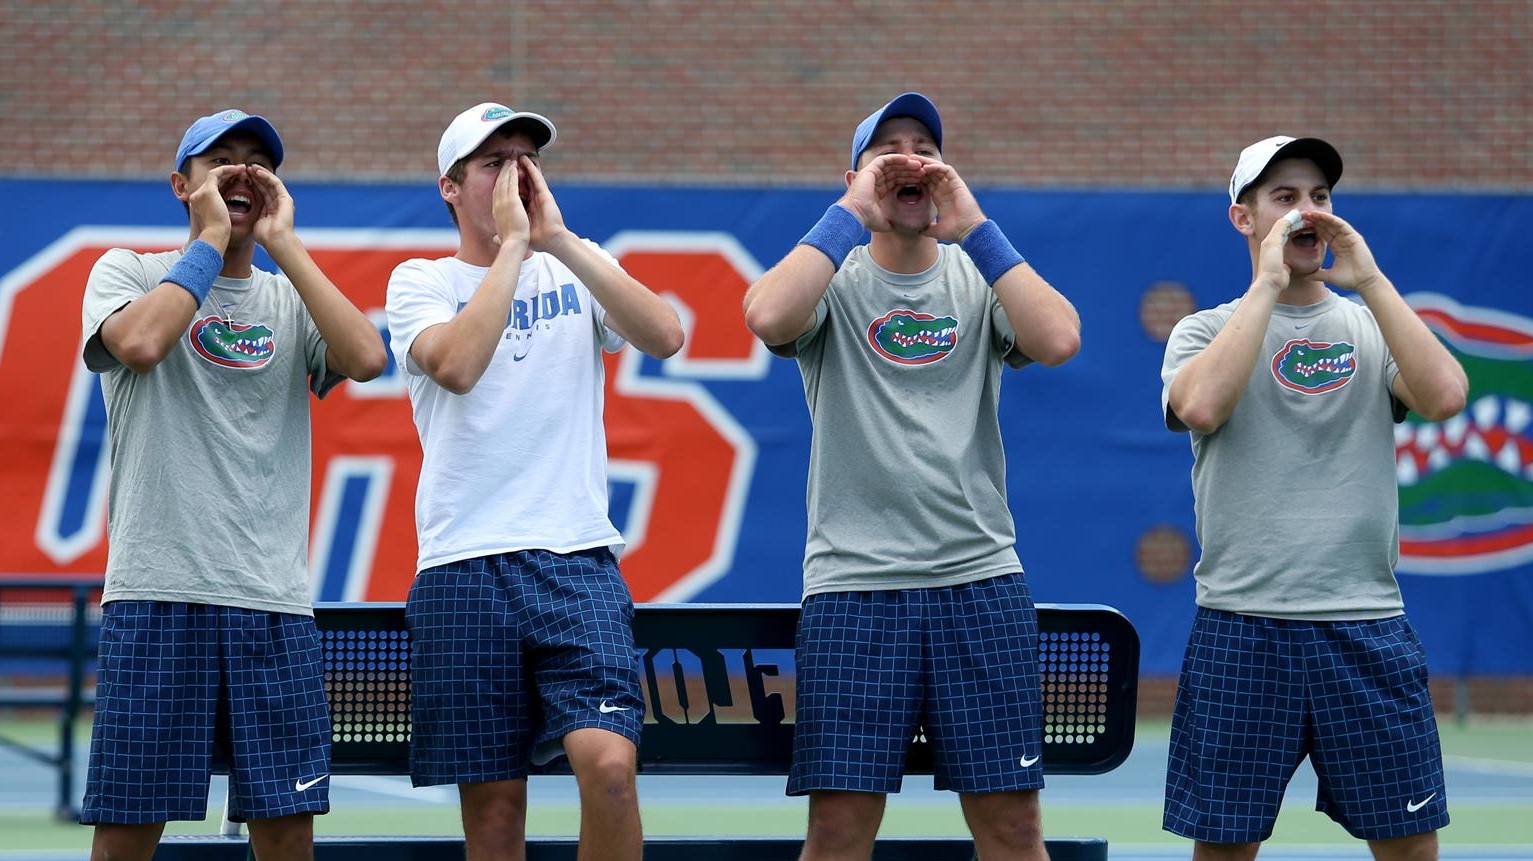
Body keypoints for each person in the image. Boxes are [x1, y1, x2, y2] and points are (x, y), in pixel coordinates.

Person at [742, 92, 1081, 861]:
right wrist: (847, 211)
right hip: (855, 586)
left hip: (979, 579)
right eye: (885, 148)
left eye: (922, 146)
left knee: (1012, 825)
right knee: (838, 828)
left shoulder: (974, 277)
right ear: (856, 174)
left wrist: (977, 229)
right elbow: (766, 316)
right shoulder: (835, 278)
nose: (907, 159)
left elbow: (1058, 337)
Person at [78, 109, 389, 861]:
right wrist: (213, 239)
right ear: (181, 184)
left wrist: (285, 243)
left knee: (285, 829)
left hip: (271, 603)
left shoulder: (287, 301)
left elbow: (367, 358)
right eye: (222, 160)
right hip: (158, 592)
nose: (243, 172)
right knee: (129, 826)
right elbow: (144, 343)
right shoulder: (127, 272)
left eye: (258, 160)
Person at [384, 102, 683, 861]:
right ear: (450, 187)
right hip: (462, 566)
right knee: (493, 815)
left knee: (610, 767)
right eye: (494, 163)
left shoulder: (575, 260)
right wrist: (515, 247)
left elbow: (664, 333)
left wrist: (553, 242)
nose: (516, 174)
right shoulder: (419, 280)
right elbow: (455, 365)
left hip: (574, 559)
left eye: (528, 159)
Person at [1159, 135, 1469, 861]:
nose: (1306, 212)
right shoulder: (1202, 331)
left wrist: (1370, 280)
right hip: (1242, 626)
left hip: (1364, 623)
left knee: (1409, 846)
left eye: (1319, 197)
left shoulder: (1368, 324)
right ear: (1242, 217)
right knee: (1225, 850)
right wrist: (1266, 286)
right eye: (1283, 197)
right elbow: (1201, 406)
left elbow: (1445, 395)